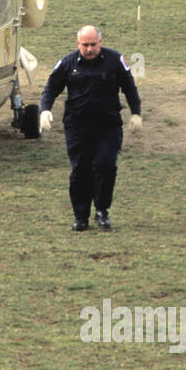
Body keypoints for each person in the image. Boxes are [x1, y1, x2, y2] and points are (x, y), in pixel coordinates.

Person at [39, 25, 141, 231]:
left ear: (100, 43)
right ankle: (81, 216)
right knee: (80, 170)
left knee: (106, 165)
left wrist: (136, 113)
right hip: (77, 126)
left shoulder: (115, 61)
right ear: (78, 44)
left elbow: (129, 87)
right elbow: (51, 88)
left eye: (93, 44)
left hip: (108, 125)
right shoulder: (68, 63)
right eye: (85, 45)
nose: (89, 49)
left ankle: (102, 211)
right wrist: (44, 110)